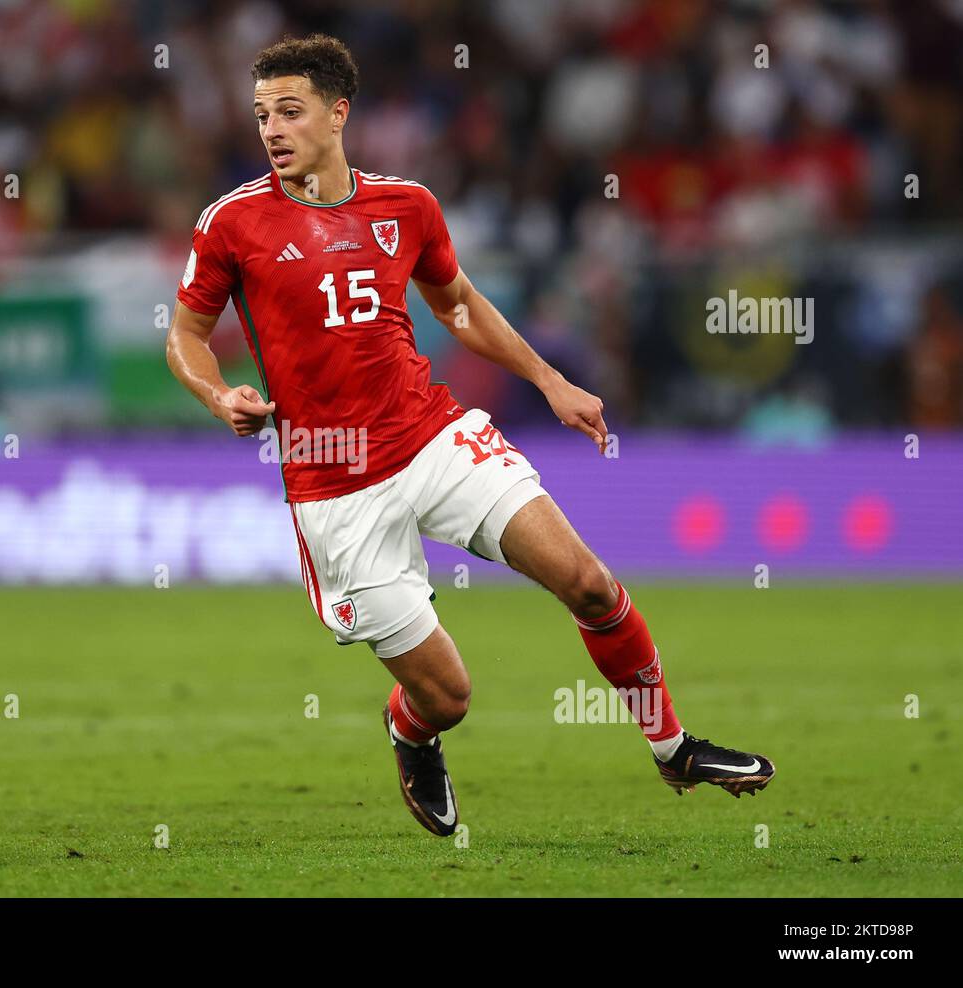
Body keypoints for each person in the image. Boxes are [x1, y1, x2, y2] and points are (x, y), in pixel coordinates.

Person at [166, 34, 774, 836]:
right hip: (334, 483)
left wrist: (549, 380)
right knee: (447, 697)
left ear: (338, 113)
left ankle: (672, 747)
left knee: (588, 583)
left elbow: (455, 305)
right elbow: (185, 335)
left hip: (432, 437)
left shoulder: (406, 207)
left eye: (289, 111)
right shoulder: (233, 222)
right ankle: (410, 731)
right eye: (260, 115)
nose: (271, 130)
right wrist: (218, 395)